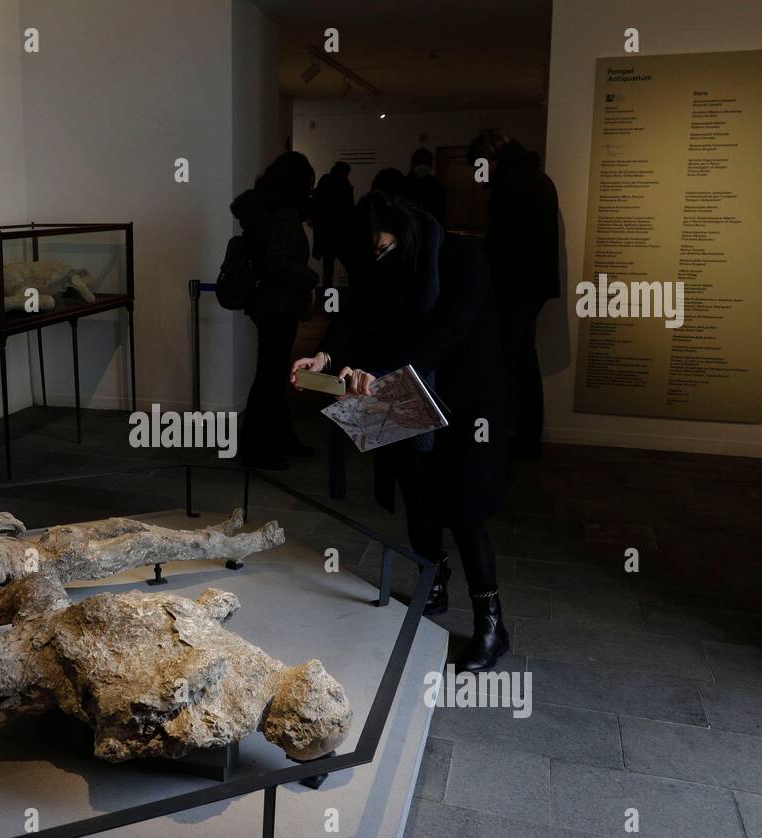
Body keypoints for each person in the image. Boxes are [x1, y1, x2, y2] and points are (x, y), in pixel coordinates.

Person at [289, 192, 511, 672]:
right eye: (370, 254)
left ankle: (491, 623)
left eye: (382, 248)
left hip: (465, 401)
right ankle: (433, 581)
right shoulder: (383, 262)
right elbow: (356, 315)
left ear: (403, 230)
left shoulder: (462, 257)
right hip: (405, 394)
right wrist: (324, 357)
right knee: (419, 495)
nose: (377, 259)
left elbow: (448, 333)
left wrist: (384, 370)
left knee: (464, 510)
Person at [467, 129, 559, 457]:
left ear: (490, 159)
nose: (479, 177)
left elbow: (502, 245)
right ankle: (526, 436)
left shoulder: (509, 185)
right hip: (535, 287)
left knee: (505, 363)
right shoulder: (536, 177)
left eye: (479, 167)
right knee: (524, 360)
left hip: (514, 287)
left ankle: (497, 435)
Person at [231, 151, 319, 470]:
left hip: (265, 303)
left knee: (272, 372)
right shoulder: (283, 214)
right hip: (278, 304)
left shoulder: (264, 210)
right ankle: (257, 449)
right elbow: (279, 261)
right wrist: (312, 277)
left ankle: (280, 439)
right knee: (269, 375)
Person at [311, 161, 354, 293]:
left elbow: (316, 201)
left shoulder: (326, 181)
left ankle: (329, 306)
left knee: (328, 272)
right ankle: (351, 301)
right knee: (351, 267)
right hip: (341, 235)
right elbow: (350, 211)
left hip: (326, 235)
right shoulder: (346, 186)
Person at [404, 147, 447, 225]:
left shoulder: (435, 185)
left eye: (426, 163)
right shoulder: (404, 183)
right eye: (419, 163)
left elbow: (441, 209)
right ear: (413, 164)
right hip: (409, 226)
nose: (423, 166)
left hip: (430, 226)